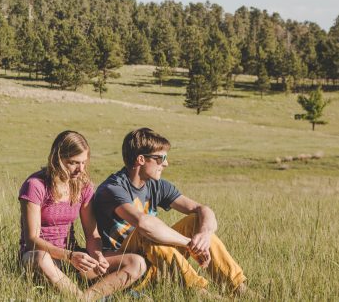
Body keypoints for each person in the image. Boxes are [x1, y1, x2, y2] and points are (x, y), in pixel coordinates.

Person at [91, 127, 256, 297]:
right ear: (141, 159)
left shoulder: (157, 185)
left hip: (157, 259)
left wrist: (204, 235)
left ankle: (240, 290)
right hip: (126, 266)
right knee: (146, 232)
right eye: (160, 158)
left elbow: (203, 210)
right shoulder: (113, 189)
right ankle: (200, 293)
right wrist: (189, 244)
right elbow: (144, 224)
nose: (165, 163)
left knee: (195, 221)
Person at [20, 130, 147, 300]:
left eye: (83, 163)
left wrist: (98, 256)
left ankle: (86, 298)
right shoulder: (35, 185)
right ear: (57, 159)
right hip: (39, 257)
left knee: (137, 263)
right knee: (41, 258)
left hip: (74, 257)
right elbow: (32, 240)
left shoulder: (83, 186)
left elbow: (92, 235)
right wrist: (69, 256)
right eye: (73, 163)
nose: (80, 169)